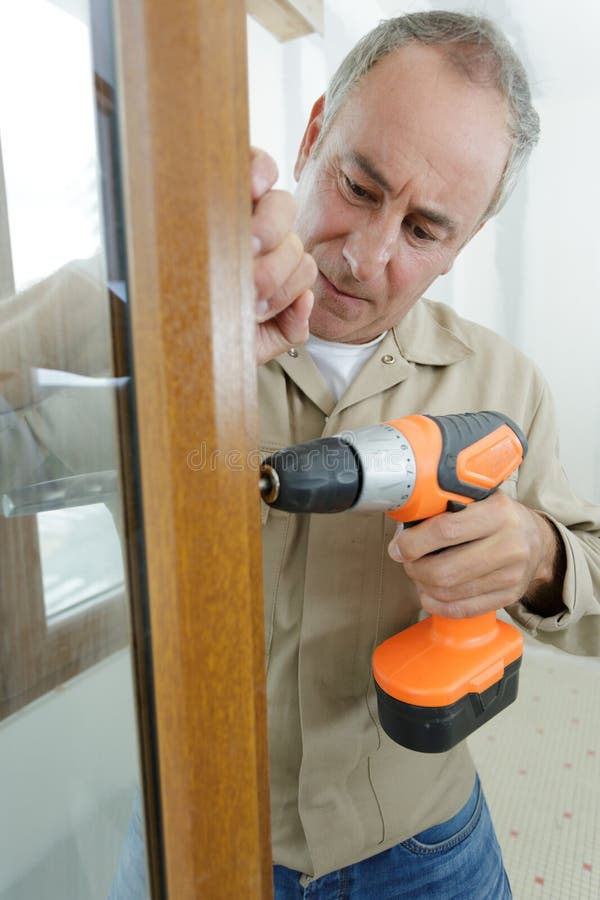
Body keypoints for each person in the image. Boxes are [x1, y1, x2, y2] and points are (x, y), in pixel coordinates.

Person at [255, 10, 600, 900]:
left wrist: (539, 557)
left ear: (467, 242)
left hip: (422, 851)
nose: (366, 259)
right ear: (313, 131)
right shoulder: (160, 327)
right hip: (199, 829)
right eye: (360, 188)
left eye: (424, 231)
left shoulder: (505, 388)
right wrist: (145, 287)